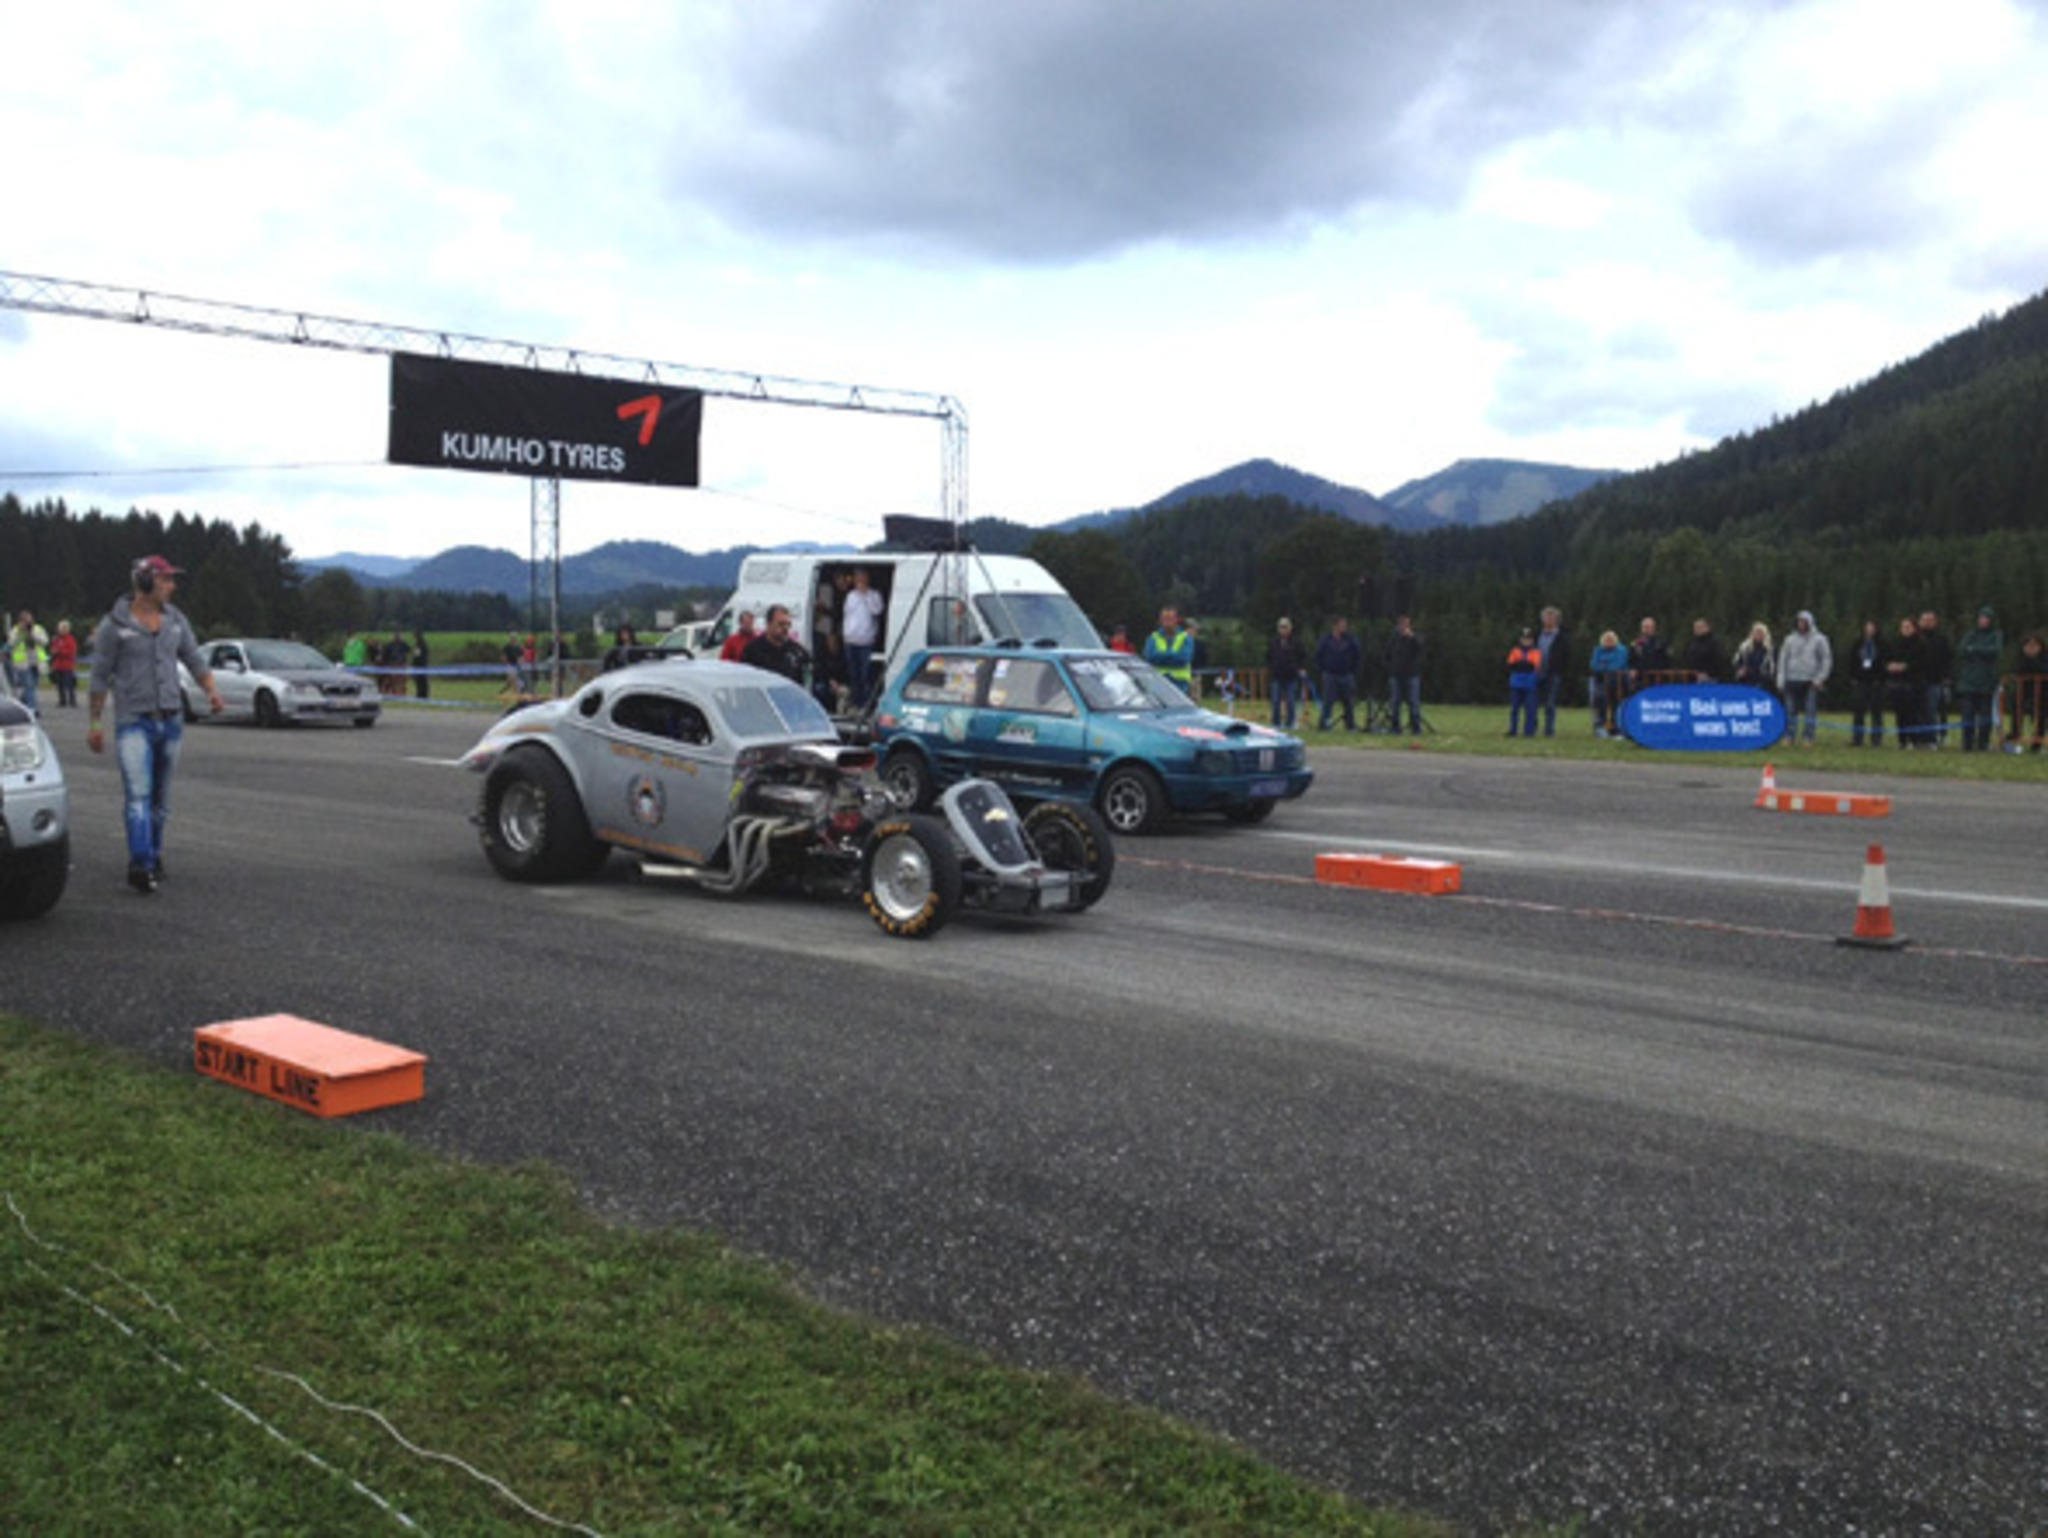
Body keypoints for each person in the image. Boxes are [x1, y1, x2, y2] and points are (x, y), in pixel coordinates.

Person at [86, 556, 225, 894]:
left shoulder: (176, 621)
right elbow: (100, 676)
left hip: (171, 719)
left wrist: (211, 692)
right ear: (145, 583)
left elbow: (193, 658)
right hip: (133, 721)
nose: (171, 586)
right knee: (138, 795)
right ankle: (140, 862)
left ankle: (154, 854)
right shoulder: (114, 625)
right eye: (165, 580)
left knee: (160, 800)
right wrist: (95, 723)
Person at [1775, 610, 1832, 746]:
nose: (1801, 624)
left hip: (1811, 681)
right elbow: (1783, 660)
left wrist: (1820, 678)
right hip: (1791, 679)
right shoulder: (1789, 639)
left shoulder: (1820, 639)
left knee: (1810, 710)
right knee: (1790, 710)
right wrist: (1780, 679)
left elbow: (1826, 660)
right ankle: (1789, 736)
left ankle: (1808, 737)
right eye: (1799, 621)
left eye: (1804, 622)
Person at [1953, 606, 2005, 753]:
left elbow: (1995, 652)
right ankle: (1967, 744)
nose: (1983, 621)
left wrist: (1974, 649)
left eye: (1986, 618)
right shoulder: (1971, 634)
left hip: (1987, 681)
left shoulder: (1996, 635)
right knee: (1967, 713)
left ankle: (1983, 743)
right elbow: (1962, 649)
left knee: (1985, 715)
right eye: (1981, 618)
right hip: (1968, 682)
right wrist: (1978, 650)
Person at [841, 568, 886, 708]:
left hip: (866, 641)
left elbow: (877, 610)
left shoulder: (874, 595)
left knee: (866, 674)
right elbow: (847, 615)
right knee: (854, 675)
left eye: (862, 578)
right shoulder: (851, 596)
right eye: (857, 578)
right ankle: (856, 702)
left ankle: (866, 704)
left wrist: (865, 595)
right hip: (851, 640)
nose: (859, 581)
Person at [740, 604, 810, 685]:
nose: (785, 628)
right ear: (768, 624)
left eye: (788, 624)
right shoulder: (752, 650)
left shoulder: (797, 652)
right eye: (781, 624)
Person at [1846, 619, 1888, 747]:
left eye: (1872, 627)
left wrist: (1882, 678)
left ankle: (1876, 739)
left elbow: (1886, 662)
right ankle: (1857, 738)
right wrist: (1853, 677)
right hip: (1861, 682)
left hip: (1877, 682)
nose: (1869, 630)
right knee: (1858, 712)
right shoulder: (1858, 643)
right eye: (1867, 627)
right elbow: (1852, 661)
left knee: (1877, 712)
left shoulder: (1882, 644)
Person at [1314, 616, 1361, 731]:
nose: (1344, 627)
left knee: (1348, 701)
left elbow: (1357, 655)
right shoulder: (1326, 640)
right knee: (1328, 701)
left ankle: (1350, 724)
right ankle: (1324, 723)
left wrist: (1353, 669)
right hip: (1330, 674)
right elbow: (1318, 655)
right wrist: (1323, 669)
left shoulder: (1350, 640)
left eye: (1345, 625)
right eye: (1341, 625)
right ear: (1335, 626)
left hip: (1346, 674)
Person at [1886, 615, 1925, 748]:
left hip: (1913, 683)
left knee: (1913, 713)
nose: (1905, 629)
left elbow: (1920, 663)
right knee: (1900, 713)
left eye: (1908, 627)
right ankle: (1902, 740)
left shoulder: (1920, 644)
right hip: (1898, 683)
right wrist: (1891, 665)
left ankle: (1915, 740)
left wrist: (1906, 667)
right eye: (1903, 627)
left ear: (1914, 628)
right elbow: (1888, 658)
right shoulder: (1896, 643)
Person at [1916, 610, 1953, 748]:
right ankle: (1918, 739)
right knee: (1918, 711)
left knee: (1933, 711)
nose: (1926, 623)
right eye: (1924, 620)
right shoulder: (1916, 638)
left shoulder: (1941, 639)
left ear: (1935, 622)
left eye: (1929, 620)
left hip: (1936, 681)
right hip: (1918, 681)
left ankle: (1932, 739)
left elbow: (1948, 659)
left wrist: (1946, 677)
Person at [1534, 605, 1572, 736]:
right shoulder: (1536, 636)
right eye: (1546, 618)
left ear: (1557, 620)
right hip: (1536, 673)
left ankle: (1549, 730)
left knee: (1550, 703)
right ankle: (1531, 728)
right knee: (1533, 703)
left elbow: (1567, 657)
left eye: (1552, 618)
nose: (1549, 620)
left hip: (1553, 673)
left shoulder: (1563, 638)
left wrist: (1561, 671)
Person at [1385, 613, 1425, 734]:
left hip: (1412, 675)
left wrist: (1411, 636)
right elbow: (1387, 654)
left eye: (1406, 624)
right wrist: (1391, 667)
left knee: (1413, 702)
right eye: (1401, 624)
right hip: (1396, 675)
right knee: (1395, 702)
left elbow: (1420, 646)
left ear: (1410, 625)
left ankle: (1415, 727)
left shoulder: (1416, 637)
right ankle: (1395, 727)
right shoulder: (1394, 639)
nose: (1403, 627)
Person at [1266, 617, 1306, 729]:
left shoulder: (1297, 642)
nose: (1283, 630)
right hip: (1277, 676)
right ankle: (1276, 723)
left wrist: (1299, 668)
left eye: (1285, 627)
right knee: (1275, 701)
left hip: (1291, 676)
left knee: (1290, 701)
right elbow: (1269, 657)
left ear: (1290, 628)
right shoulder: (1274, 642)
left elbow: (1302, 657)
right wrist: (1272, 669)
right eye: (1281, 627)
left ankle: (1290, 722)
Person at [1144, 607, 1195, 696]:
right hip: (1158, 682)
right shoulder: (1153, 637)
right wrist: (1173, 656)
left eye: (1170, 619)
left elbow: (1184, 659)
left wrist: (1161, 657)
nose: (1167, 623)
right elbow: (1150, 658)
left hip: (1180, 684)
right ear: (1160, 620)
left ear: (1176, 620)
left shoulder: (1185, 637)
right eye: (1164, 619)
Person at [1588, 628, 1629, 738]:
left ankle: (1617, 727)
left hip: (1618, 681)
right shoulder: (1598, 650)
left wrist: (1604, 665)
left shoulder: (1622, 650)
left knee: (1616, 703)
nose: (1609, 642)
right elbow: (1594, 665)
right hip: (1600, 680)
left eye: (1611, 640)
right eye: (1606, 640)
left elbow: (1618, 665)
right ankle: (1600, 726)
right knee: (1599, 701)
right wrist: (1605, 667)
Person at [7, 610, 49, 715]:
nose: (27, 623)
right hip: (22, 663)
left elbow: (45, 641)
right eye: (25, 620)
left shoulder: (37, 629)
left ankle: (19, 704)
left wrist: (33, 634)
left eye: (29, 620)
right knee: (29, 685)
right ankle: (32, 709)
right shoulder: (15, 630)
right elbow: (11, 643)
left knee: (32, 686)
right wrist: (21, 633)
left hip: (37, 662)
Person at [2011, 633, 2046, 752]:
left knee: (2041, 716)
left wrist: (2034, 658)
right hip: (2024, 691)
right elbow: (2018, 670)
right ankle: (2016, 737)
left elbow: (2043, 670)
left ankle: (2037, 743)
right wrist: (2028, 657)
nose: (2031, 647)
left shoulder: (2044, 657)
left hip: (2043, 692)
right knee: (2016, 710)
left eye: (2034, 644)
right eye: (2028, 644)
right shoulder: (2021, 658)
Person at [1506, 627, 1542, 738]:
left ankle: (1529, 731)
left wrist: (1521, 664)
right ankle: (1513, 730)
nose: (1526, 642)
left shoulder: (1536, 652)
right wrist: (1523, 665)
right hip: (1516, 683)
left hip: (1530, 684)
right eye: (1524, 639)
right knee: (1514, 709)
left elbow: (1534, 665)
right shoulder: (1515, 651)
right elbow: (1511, 664)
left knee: (1530, 709)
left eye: (1529, 639)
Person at [1731, 622, 1775, 696]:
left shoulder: (1769, 649)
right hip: (1746, 680)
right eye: (1756, 633)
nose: (1758, 635)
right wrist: (1739, 670)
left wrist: (1767, 676)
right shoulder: (1744, 647)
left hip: (1762, 681)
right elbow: (1736, 661)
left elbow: (1772, 666)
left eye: (1761, 633)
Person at [1682, 617, 1727, 683]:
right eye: (1695, 627)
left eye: (1699, 627)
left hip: (1710, 679)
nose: (1696, 629)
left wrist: (1709, 673)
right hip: (1692, 679)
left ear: (1707, 628)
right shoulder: (1692, 643)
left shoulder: (1714, 643)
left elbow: (1719, 661)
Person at [1627, 617, 1671, 682]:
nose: (1646, 629)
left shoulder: (1662, 642)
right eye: (1644, 627)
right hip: (1641, 678)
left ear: (1654, 628)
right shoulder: (1635, 643)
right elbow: (1631, 659)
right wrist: (1632, 669)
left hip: (1658, 677)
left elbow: (1667, 658)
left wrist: (1666, 670)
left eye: (1648, 627)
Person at [47, 619, 79, 708]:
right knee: (59, 684)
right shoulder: (56, 639)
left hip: (67, 665)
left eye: (62, 628)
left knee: (69, 684)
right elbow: (53, 648)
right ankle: (62, 700)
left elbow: (71, 651)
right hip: (58, 665)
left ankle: (72, 700)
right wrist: (53, 652)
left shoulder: (70, 639)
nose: (60, 630)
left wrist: (60, 652)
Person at [413, 629, 432, 699]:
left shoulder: (420, 645)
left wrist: (415, 663)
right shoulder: (422, 644)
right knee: (421, 681)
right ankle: (422, 694)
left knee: (421, 681)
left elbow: (417, 655)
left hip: (420, 665)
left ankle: (422, 694)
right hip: (422, 665)